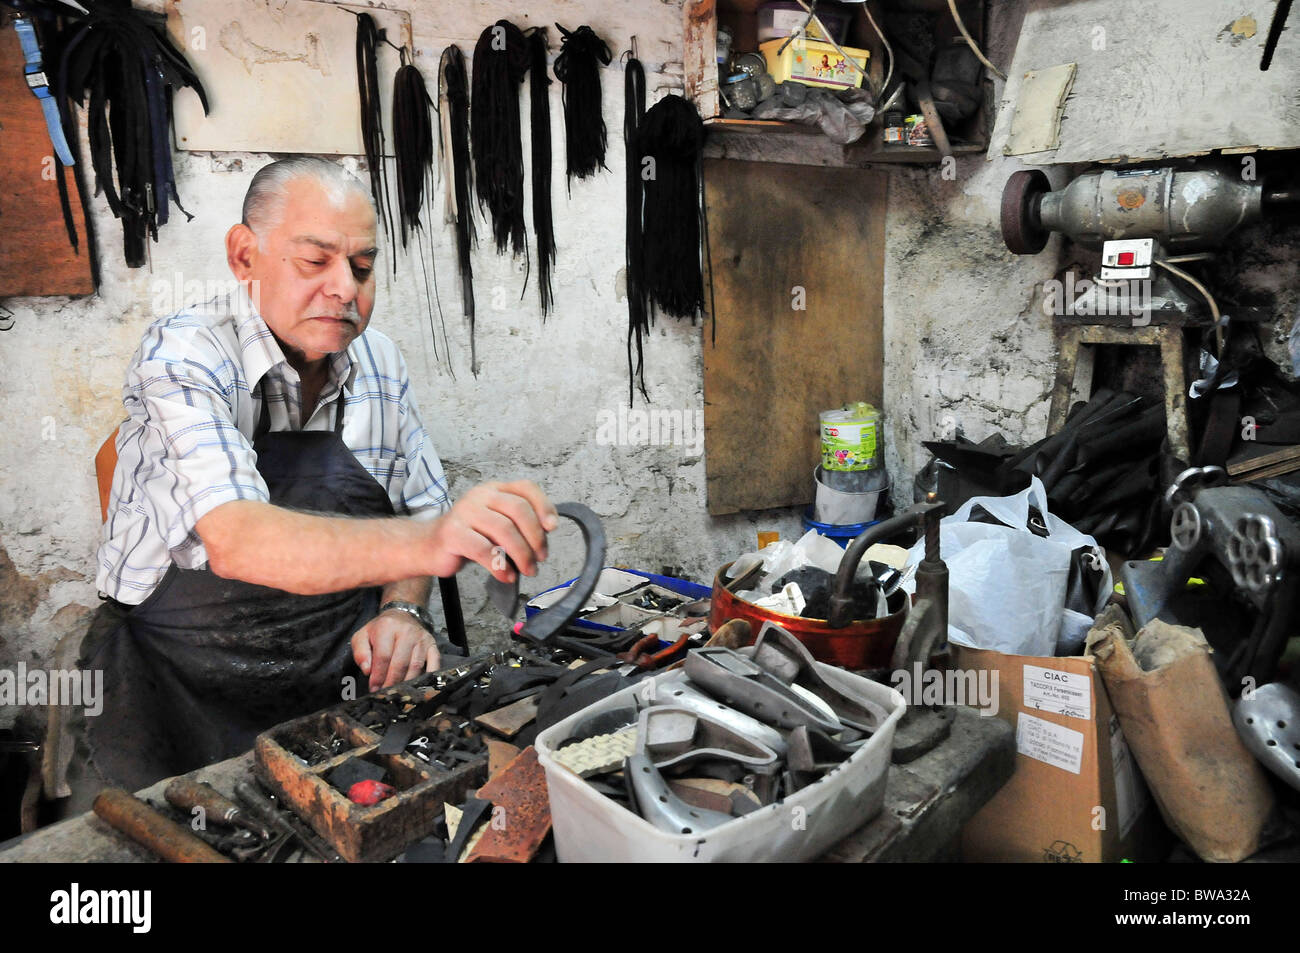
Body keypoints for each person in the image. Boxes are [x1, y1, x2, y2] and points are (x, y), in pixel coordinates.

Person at [58, 157, 555, 805]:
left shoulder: (377, 360)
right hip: (170, 678)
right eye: (314, 261)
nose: (345, 288)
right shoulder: (185, 353)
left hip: (330, 661)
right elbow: (239, 539)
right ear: (245, 256)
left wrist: (403, 609)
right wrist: (432, 541)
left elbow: (414, 503)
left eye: (363, 266)